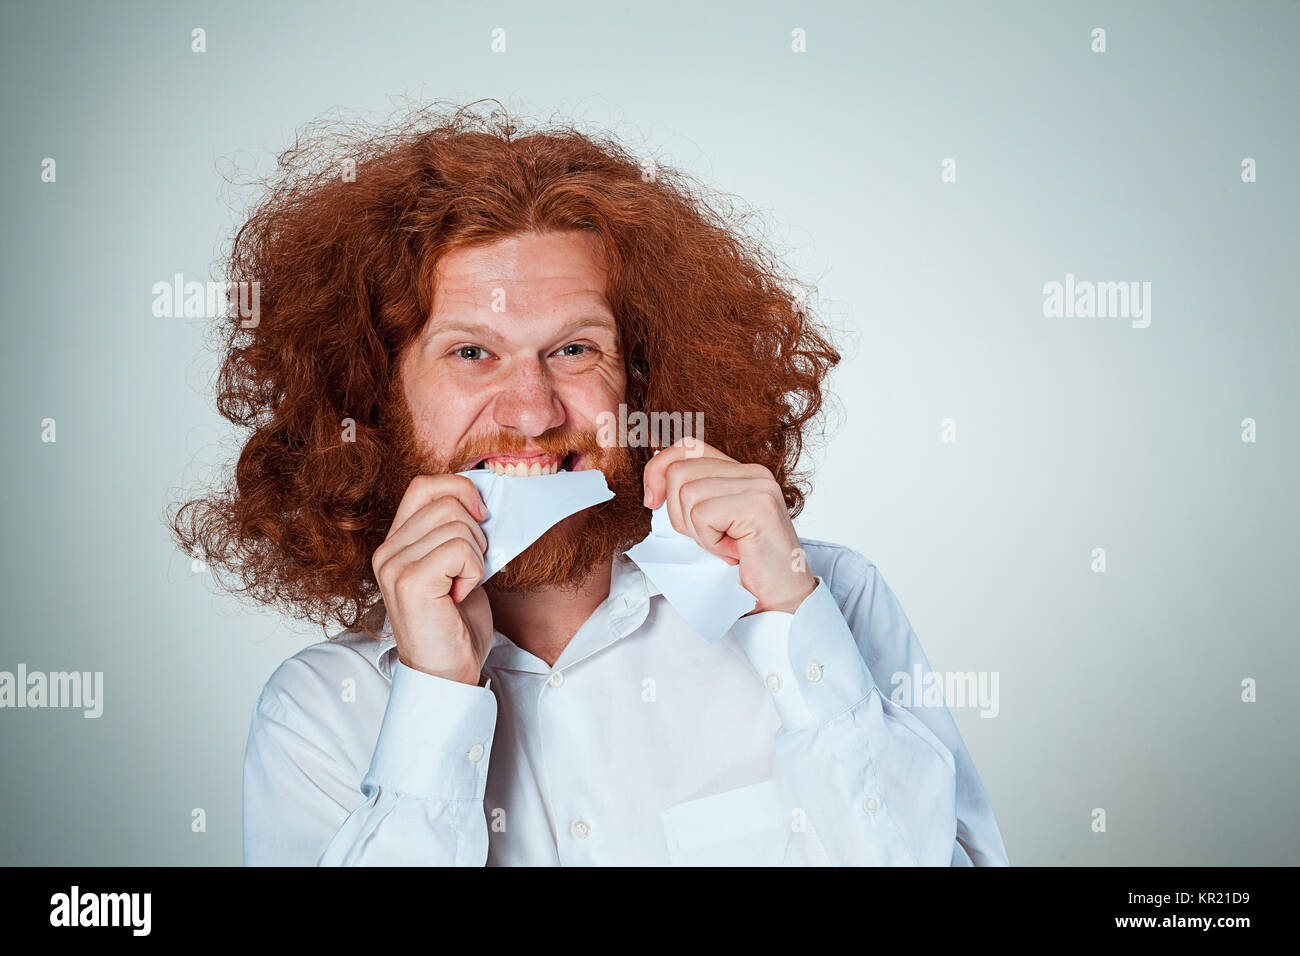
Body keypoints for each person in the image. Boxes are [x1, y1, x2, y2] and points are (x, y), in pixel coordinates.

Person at [170, 102, 1009, 866]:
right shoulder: (321, 713)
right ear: (374, 395)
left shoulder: (831, 601)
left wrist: (793, 617)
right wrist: (434, 698)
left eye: (574, 350)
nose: (532, 413)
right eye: (472, 353)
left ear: (642, 376)